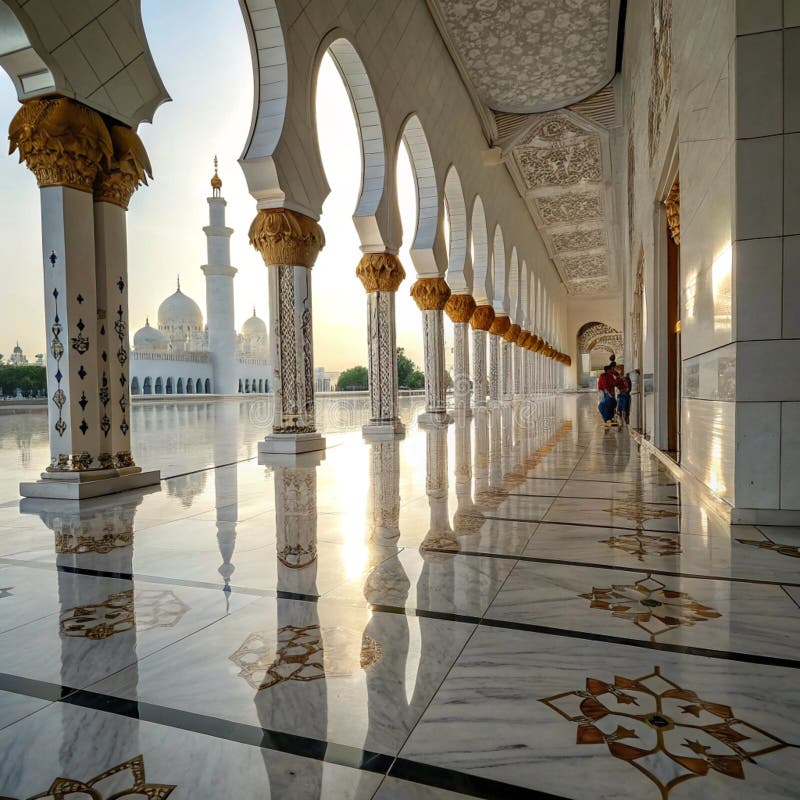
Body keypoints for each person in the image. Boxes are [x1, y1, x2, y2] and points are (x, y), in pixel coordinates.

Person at [597, 364, 618, 429]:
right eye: (612, 369)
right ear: (609, 369)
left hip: (603, 393)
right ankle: (608, 420)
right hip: (607, 393)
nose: (613, 370)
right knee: (609, 405)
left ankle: (607, 420)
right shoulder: (608, 376)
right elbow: (614, 383)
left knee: (606, 406)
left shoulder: (602, 376)